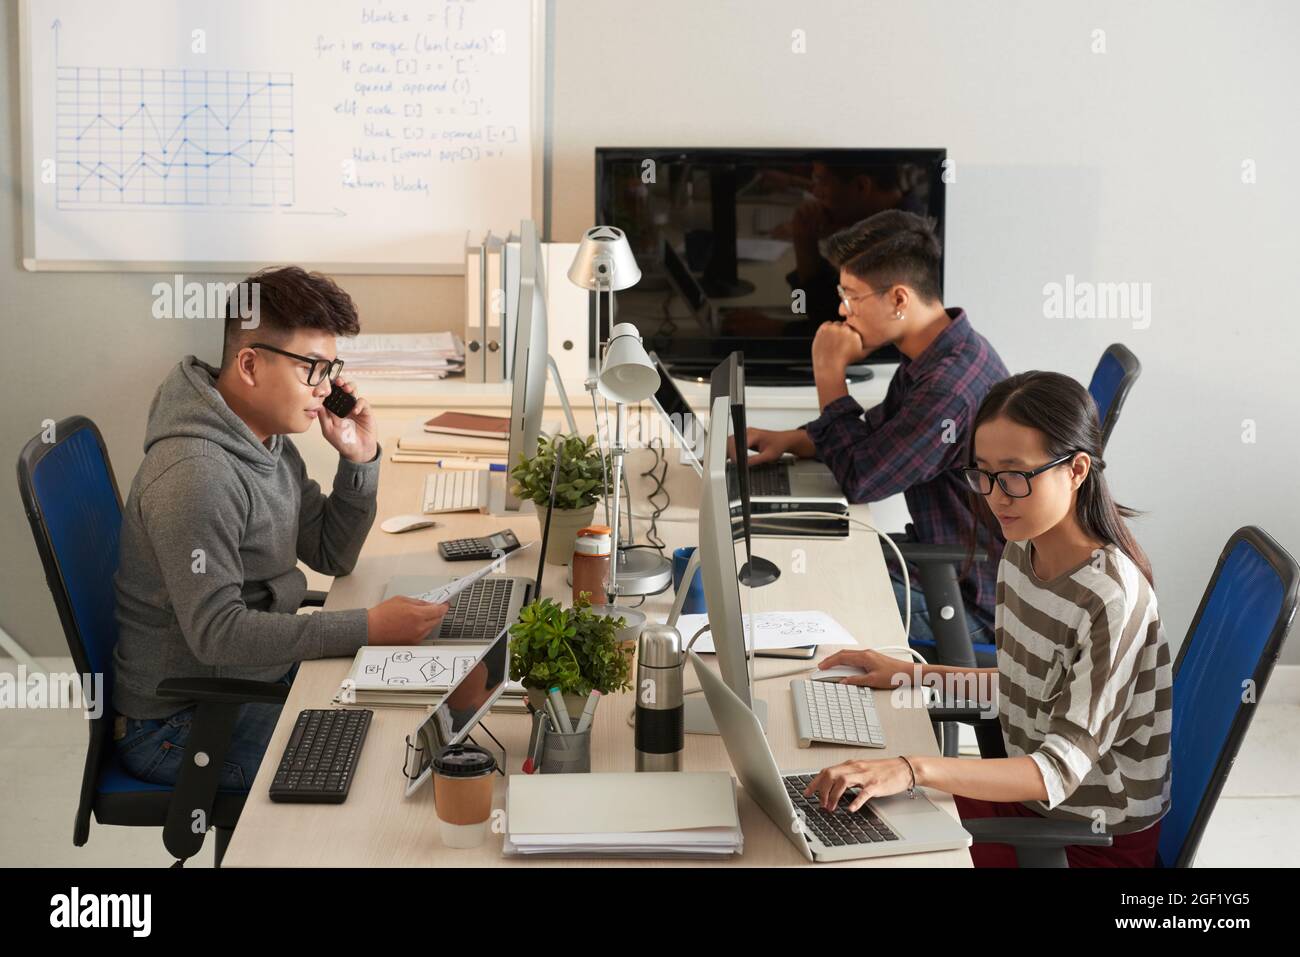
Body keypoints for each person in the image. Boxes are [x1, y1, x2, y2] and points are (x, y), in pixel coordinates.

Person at [804, 371, 1172, 867]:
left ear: (1077, 469)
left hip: (1082, 840)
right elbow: (1023, 690)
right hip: (1028, 804)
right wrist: (912, 676)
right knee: (827, 810)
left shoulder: (1111, 600)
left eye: (1016, 476)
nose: (996, 496)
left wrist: (913, 769)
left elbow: (1054, 772)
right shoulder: (1022, 550)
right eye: (984, 474)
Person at [112, 266, 450, 791]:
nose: (325, 388)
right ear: (249, 364)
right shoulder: (197, 474)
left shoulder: (265, 439)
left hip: (250, 678)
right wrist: (367, 627)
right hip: (180, 725)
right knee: (385, 766)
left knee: (406, 718)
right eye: (312, 369)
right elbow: (218, 633)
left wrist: (359, 461)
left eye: (330, 369)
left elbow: (330, 554)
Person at [743, 210, 1009, 642]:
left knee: (788, 593)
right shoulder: (943, 349)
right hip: (937, 565)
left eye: (852, 296)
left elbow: (861, 477)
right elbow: (875, 437)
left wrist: (828, 371)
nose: (842, 311)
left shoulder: (948, 390)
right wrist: (791, 440)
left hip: (966, 601)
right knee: (792, 554)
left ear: (899, 299)